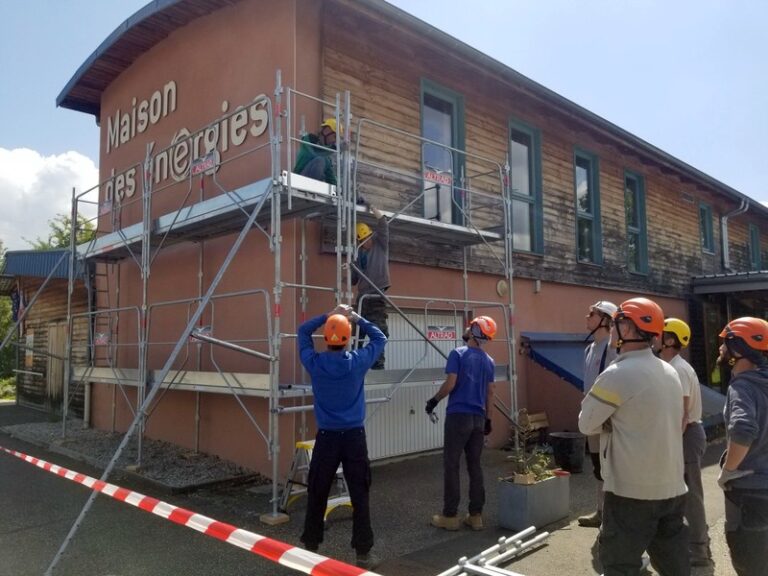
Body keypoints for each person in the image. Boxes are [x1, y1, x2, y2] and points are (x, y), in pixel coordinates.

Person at [578, 297, 690, 576]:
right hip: (672, 489)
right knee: (674, 565)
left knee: (620, 565)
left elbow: (585, 423)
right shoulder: (670, 371)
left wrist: (609, 423)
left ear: (627, 330)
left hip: (631, 493)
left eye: (617, 324)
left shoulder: (617, 373)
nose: (614, 331)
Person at [297, 303, 387, 570]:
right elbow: (380, 337)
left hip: (326, 437)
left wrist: (328, 315)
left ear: (326, 338)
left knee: (317, 490)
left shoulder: (315, 363)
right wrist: (356, 316)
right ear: (348, 339)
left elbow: (302, 332)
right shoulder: (358, 362)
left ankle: (311, 545)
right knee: (360, 493)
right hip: (354, 437)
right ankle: (363, 552)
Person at [425, 315, 497, 532]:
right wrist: (489, 419)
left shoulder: (458, 353)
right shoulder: (489, 361)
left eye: (471, 325)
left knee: (452, 464)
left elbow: (450, 384)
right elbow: (490, 392)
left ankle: (450, 516)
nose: (467, 326)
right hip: (478, 418)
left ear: (474, 330)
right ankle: (476, 516)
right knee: (475, 465)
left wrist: (433, 401)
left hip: (458, 416)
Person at [657, 317, 712, 567]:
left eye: (661, 334)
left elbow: (681, 411)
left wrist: (667, 443)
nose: (656, 338)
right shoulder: (674, 365)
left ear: (670, 339)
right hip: (686, 434)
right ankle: (689, 545)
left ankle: (699, 551)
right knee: (682, 495)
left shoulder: (677, 369)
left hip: (686, 435)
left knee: (691, 496)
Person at [716, 317, 768, 576]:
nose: (721, 349)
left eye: (725, 343)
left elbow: (743, 430)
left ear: (739, 349)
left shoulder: (743, 386)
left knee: (750, 562)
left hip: (748, 490)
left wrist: (728, 470)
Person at [578, 300, 618, 528]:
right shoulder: (589, 348)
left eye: (591, 314)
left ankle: (611, 517)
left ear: (604, 320)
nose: (586, 317)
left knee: (609, 466)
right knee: (597, 465)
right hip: (592, 416)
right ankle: (601, 511)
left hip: (607, 419)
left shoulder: (612, 349)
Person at [352, 204, 390, 369]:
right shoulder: (358, 254)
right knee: (356, 333)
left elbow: (383, 225)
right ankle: (355, 360)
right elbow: (354, 280)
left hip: (376, 295)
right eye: (363, 240)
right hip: (362, 297)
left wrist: (374, 209)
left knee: (379, 331)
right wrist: (349, 269)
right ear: (358, 241)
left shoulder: (380, 244)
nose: (367, 242)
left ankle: (377, 363)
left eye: (368, 238)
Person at [292, 118, 338, 185]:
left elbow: (331, 178)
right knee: (319, 161)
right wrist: (333, 150)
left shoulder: (326, 158)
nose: (335, 141)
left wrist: (339, 191)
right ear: (326, 132)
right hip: (299, 181)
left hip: (313, 187)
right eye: (335, 137)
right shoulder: (308, 141)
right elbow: (314, 154)